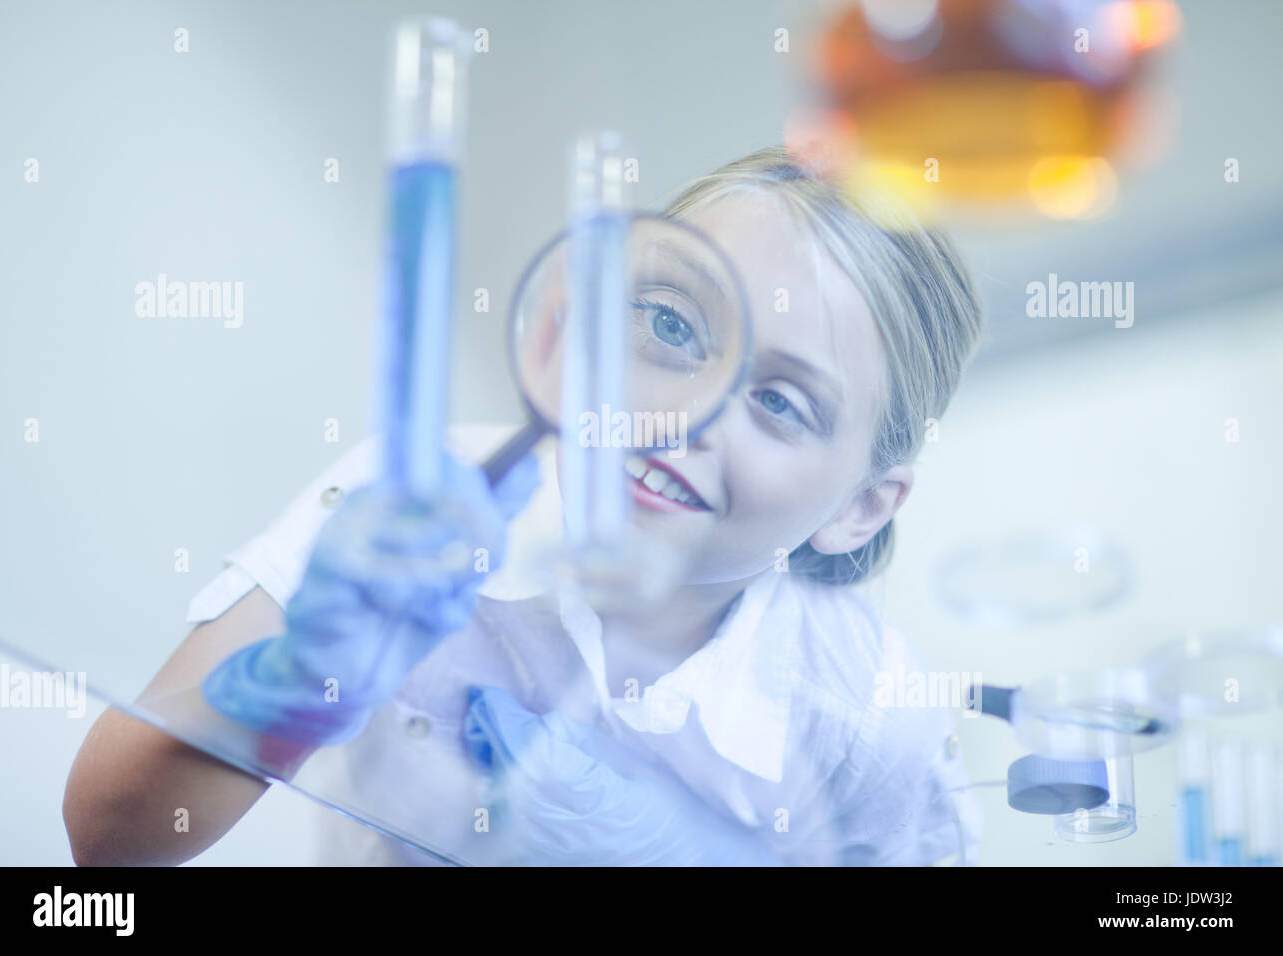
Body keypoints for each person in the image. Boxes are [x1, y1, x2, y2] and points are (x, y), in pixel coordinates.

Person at [64, 145, 985, 866]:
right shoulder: (407, 507)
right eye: (671, 325)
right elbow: (106, 841)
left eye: (781, 403)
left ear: (861, 508)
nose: (684, 412)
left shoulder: (866, 715)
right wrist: (290, 685)